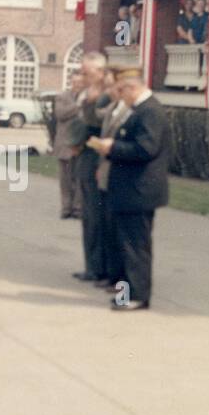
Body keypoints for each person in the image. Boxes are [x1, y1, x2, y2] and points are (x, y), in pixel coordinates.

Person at [87, 65, 170, 312]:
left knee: (136, 248)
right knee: (127, 246)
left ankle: (138, 296)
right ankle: (127, 294)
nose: (120, 96)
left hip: (140, 191)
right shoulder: (140, 110)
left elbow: (146, 149)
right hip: (131, 190)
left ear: (132, 88)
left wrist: (112, 147)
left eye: (122, 91)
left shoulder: (149, 111)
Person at [69, 53, 109, 283]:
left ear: (100, 73)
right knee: (88, 217)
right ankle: (91, 265)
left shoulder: (102, 97)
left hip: (95, 161)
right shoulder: (86, 94)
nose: (82, 76)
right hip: (84, 159)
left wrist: (82, 142)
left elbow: (98, 128)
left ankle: (98, 268)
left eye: (87, 72)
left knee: (96, 216)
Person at [93, 69, 128, 291]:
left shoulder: (127, 110)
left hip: (119, 175)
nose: (109, 91)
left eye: (111, 86)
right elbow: (95, 114)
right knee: (107, 226)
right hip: (105, 171)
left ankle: (120, 278)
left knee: (119, 230)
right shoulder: (113, 108)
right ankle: (110, 273)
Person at [52, 72, 85, 219]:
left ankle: (78, 208)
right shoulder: (62, 97)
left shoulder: (88, 97)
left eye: (80, 82)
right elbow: (60, 114)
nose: (78, 85)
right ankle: (66, 207)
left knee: (79, 177)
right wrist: (78, 106)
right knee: (65, 179)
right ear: (71, 82)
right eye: (75, 82)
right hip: (64, 143)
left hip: (81, 143)